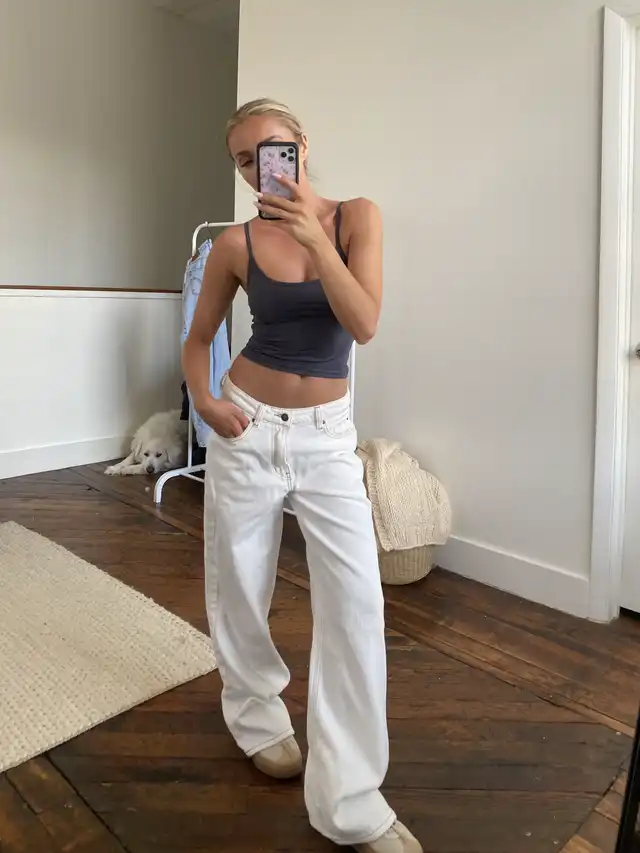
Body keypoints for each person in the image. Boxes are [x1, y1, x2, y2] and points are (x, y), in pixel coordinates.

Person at [182, 98, 422, 853]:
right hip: (247, 427)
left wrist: (315, 239)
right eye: (244, 159)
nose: (260, 168)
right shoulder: (234, 243)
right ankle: (258, 720)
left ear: (302, 146)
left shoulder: (355, 218)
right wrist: (205, 402)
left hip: (326, 440)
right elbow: (198, 339)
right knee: (239, 583)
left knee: (356, 605)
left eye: (272, 149)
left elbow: (364, 323)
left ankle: (351, 800)